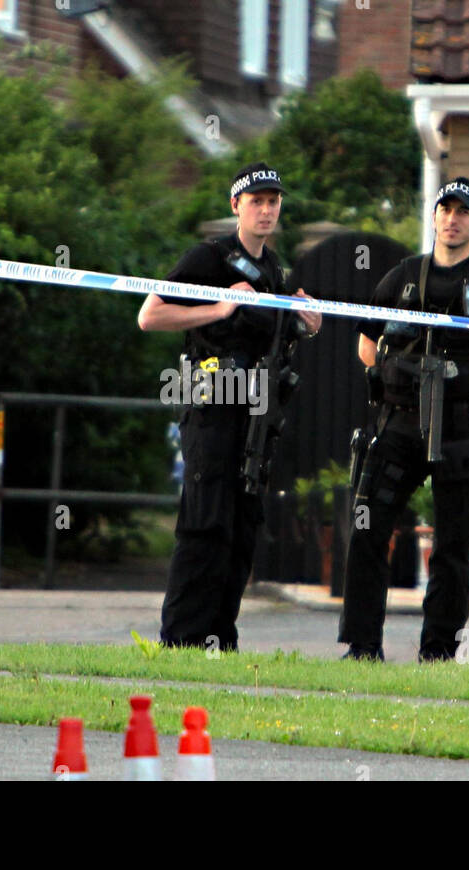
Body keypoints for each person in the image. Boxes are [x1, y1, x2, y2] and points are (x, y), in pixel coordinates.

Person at [339, 177, 469, 662]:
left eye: (463, 211)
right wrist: (393, 380)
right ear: (433, 216)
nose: (452, 219)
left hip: (459, 432)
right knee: (368, 532)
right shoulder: (403, 276)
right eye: (445, 210)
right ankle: (363, 647)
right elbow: (366, 342)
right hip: (399, 426)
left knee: (453, 546)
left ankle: (437, 654)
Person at [137, 162, 322, 652]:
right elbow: (150, 315)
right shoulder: (210, 256)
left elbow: (280, 332)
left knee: (242, 523)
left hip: (257, 405)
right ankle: (182, 639)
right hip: (211, 396)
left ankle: (220, 637)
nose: (265, 209)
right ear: (235, 206)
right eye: (255, 201)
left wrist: (305, 320)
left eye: (273, 201)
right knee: (205, 517)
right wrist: (217, 306)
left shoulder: (275, 269)